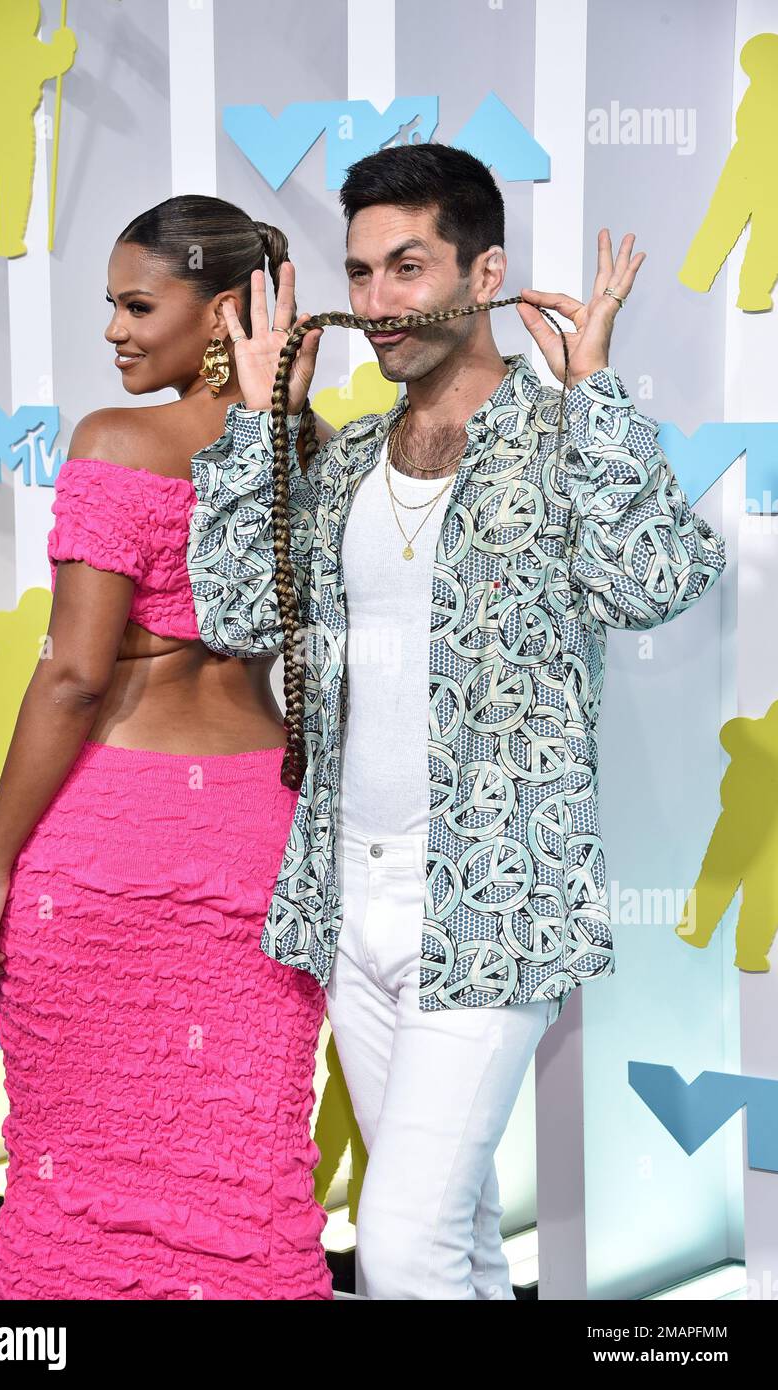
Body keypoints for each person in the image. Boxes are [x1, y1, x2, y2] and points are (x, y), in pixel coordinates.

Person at [185, 144, 728, 1299]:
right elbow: (233, 614)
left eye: (407, 267)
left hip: (489, 903)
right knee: (458, 1234)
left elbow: (655, 583)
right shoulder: (335, 470)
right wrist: (258, 421)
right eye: (361, 273)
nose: (376, 304)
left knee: (398, 1248)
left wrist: (595, 399)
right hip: (349, 904)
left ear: (483, 274)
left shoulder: (558, 434)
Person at [0, 195, 334, 1301]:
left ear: (220, 312)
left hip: (115, 839)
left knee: (77, 1159)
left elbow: (72, 676)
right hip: (260, 832)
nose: (114, 331)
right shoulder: (306, 446)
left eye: (136, 304)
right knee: (248, 1154)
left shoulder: (119, 443)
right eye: (108, 307)